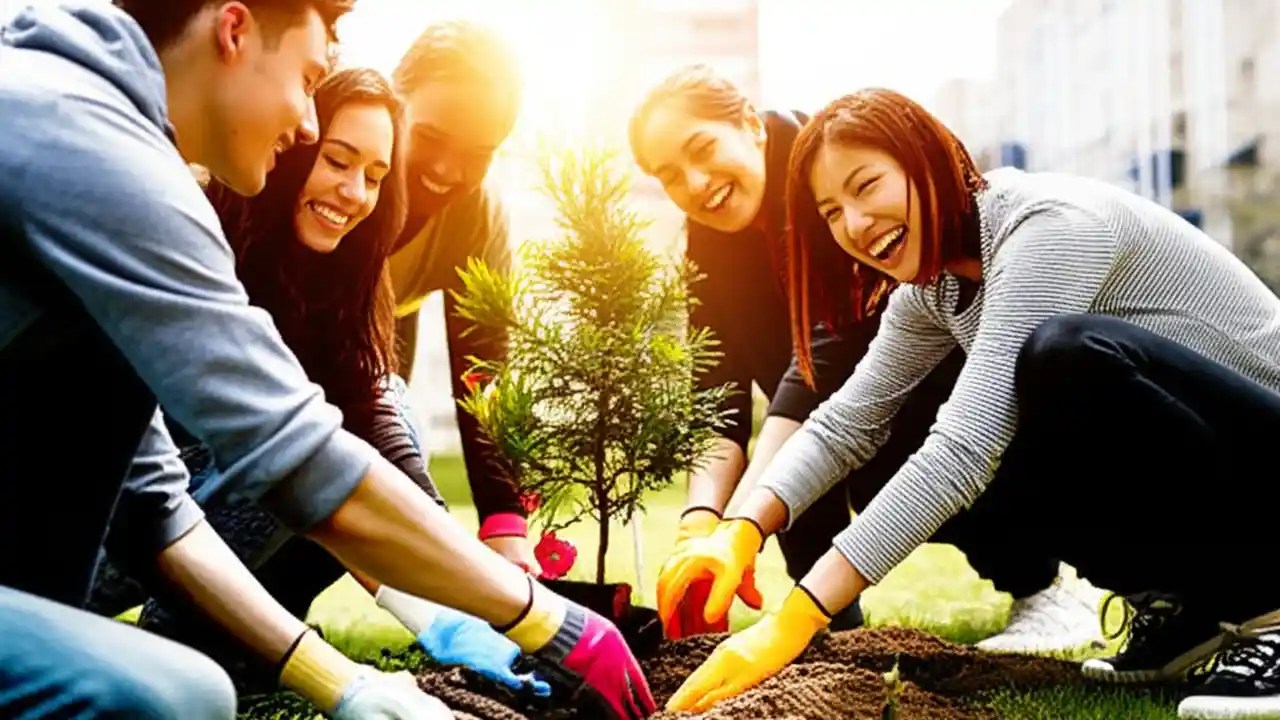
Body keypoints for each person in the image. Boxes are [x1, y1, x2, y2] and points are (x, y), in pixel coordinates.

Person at [0, 2, 654, 719]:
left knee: (193, 688)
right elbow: (295, 456)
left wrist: (342, 682)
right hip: (68, 574)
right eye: (309, 78)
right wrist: (543, 617)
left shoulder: (86, 126)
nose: (308, 124)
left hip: (76, 565)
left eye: (373, 173)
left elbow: (150, 498)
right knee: (172, 698)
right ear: (235, 30)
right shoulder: (91, 148)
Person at [657, 87, 1280, 719]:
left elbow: (963, 449)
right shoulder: (934, 289)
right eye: (831, 211)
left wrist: (795, 619)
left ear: (925, 158)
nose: (854, 223)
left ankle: (1271, 604)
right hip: (1230, 462)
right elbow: (847, 421)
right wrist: (740, 530)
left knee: (1065, 357)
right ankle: (1194, 606)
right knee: (990, 441)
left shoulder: (1047, 229)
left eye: (866, 185)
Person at [86, 65, 549, 700]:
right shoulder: (198, 230)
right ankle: (182, 640)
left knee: (379, 403)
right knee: (297, 441)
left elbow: (374, 428)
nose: (356, 192)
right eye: (337, 160)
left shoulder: (339, 277)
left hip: (196, 518)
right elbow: (291, 447)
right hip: (96, 531)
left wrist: (452, 597)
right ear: (294, 141)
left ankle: (223, 647)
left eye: (377, 176)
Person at [629, 64, 1103, 651]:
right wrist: (699, 526)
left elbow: (822, 362)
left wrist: (740, 526)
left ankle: (1042, 586)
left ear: (749, 124)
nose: (696, 182)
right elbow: (715, 388)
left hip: (932, 396)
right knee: (810, 436)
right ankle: (829, 614)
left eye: (701, 149)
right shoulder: (707, 241)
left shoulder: (828, 182)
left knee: (877, 443)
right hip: (829, 409)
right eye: (669, 175)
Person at [383, 19, 544, 575]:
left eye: (479, 151)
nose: (447, 170)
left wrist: (505, 525)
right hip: (296, 332)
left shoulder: (476, 218)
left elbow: (483, 372)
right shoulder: (332, 169)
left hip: (385, 325)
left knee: (387, 465)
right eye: (429, 138)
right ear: (391, 99)